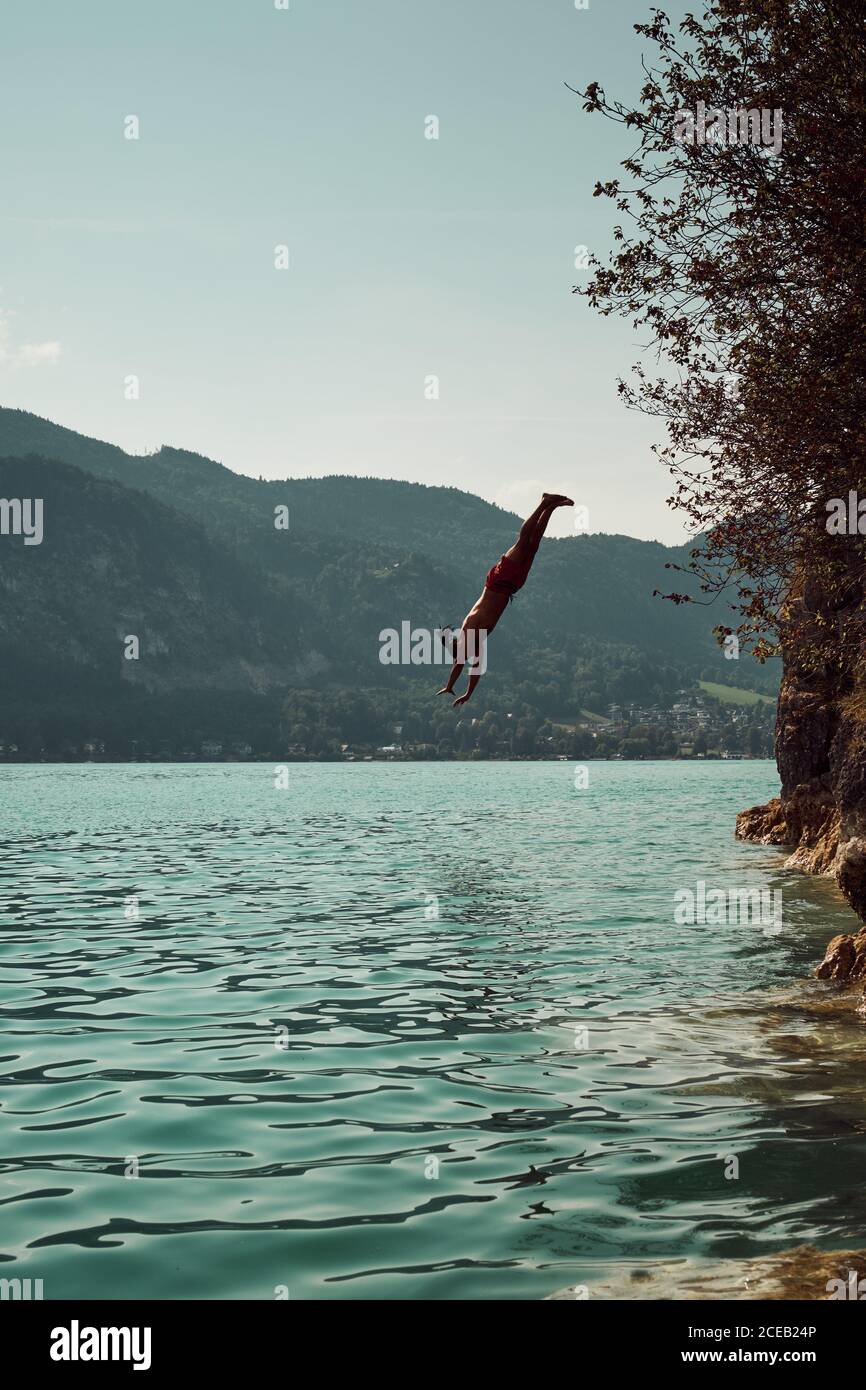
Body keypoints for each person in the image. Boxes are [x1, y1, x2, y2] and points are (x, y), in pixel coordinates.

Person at [437, 493, 573, 707]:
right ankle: (551, 507)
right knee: (533, 545)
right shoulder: (477, 641)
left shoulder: (467, 632)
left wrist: (450, 685)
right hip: (512, 585)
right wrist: (468, 694)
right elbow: (476, 670)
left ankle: (543, 503)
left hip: (499, 581)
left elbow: (459, 666)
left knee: (523, 542)